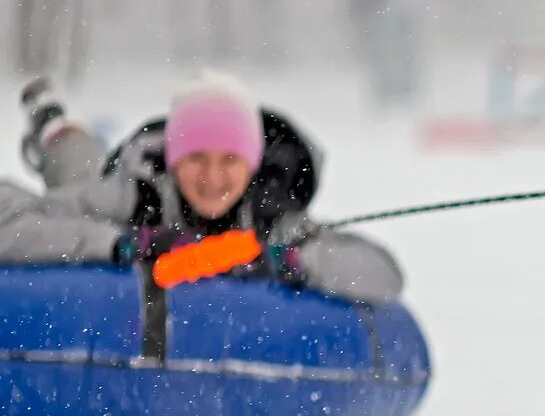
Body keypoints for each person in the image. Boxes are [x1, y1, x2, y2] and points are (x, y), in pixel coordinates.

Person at [0, 71, 404, 304]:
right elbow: (10, 220)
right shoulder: (135, 195)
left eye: (230, 160)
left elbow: (384, 274)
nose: (213, 178)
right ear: (174, 160)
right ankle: (53, 125)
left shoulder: (269, 213)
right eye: (196, 159)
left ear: (252, 165)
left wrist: (290, 261)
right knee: (79, 172)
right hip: (104, 185)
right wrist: (124, 242)